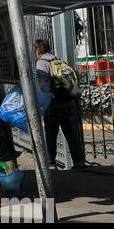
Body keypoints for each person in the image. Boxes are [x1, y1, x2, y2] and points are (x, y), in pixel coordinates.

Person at [34, 39, 86, 169]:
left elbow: (44, 86)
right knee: (72, 133)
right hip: (68, 102)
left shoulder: (41, 63)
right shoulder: (59, 60)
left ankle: (50, 163)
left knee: (51, 134)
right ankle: (79, 161)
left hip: (54, 104)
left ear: (38, 51)